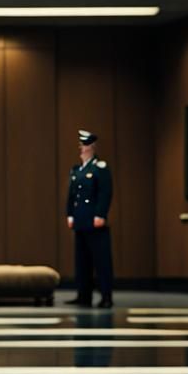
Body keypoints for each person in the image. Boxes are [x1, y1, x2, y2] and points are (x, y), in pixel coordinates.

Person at [65, 128, 113, 308]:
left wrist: (100, 214)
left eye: (84, 145)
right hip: (80, 220)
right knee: (82, 261)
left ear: (91, 147)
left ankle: (106, 296)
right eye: (80, 145)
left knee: (101, 260)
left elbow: (104, 193)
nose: (81, 149)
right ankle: (83, 294)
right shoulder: (77, 170)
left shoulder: (100, 168)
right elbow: (72, 195)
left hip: (94, 220)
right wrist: (70, 214)